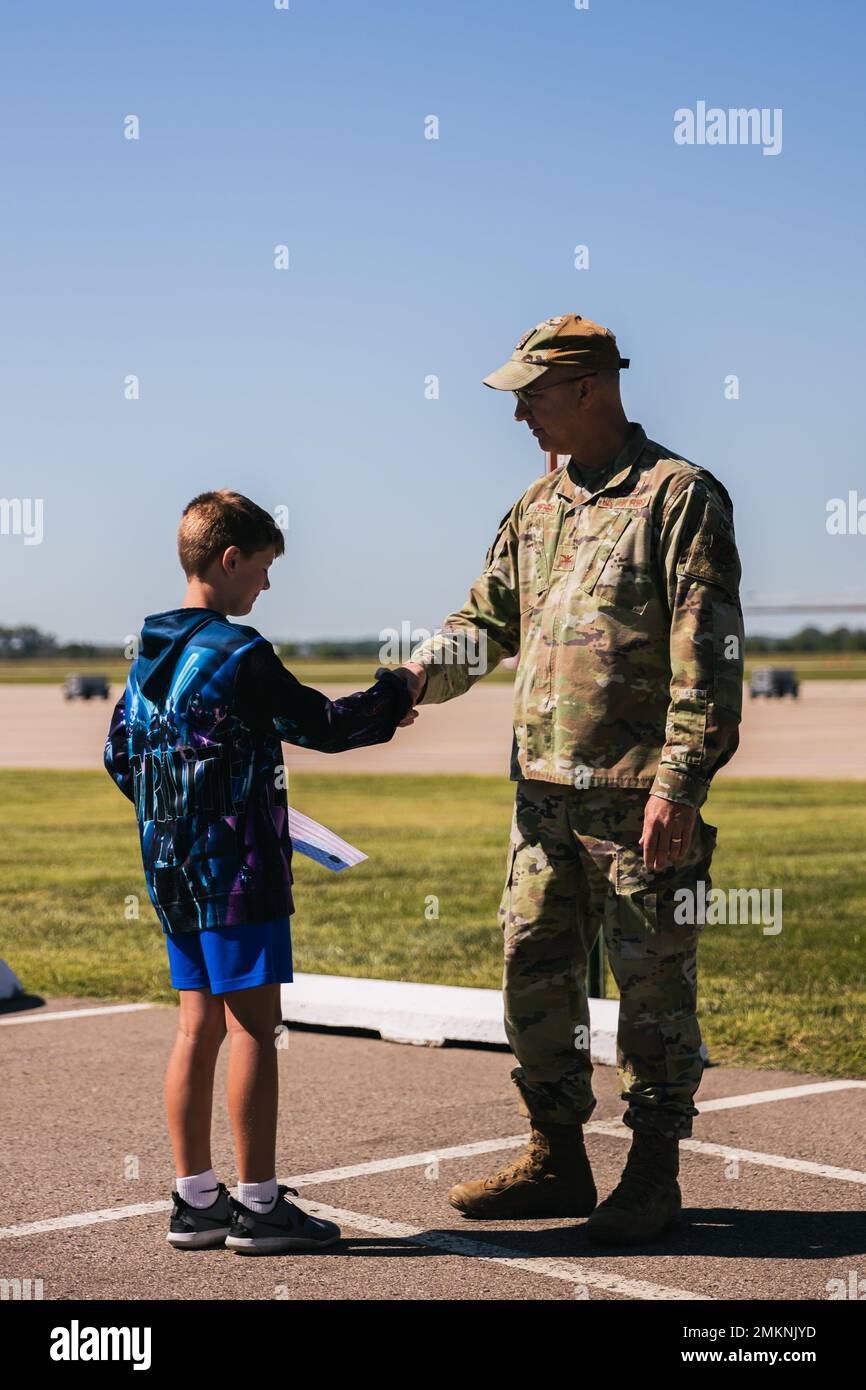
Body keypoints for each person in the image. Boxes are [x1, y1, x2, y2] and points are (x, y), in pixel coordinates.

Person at [394, 314, 744, 1244]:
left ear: (587, 388)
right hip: (541, 799)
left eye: (531, 397)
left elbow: (706, 657)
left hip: (637, 805)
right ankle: (557, 1158)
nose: (520, 418)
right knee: (532, 978)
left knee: (653, 993)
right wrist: (410, 681)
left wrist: (680, 782)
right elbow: (486, 622)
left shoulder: (679, 497)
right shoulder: (537, 509)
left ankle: (655, 1173)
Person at [103, 489, 414, 1254]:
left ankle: (195, 1198)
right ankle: (260, 1204)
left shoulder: (148, 654)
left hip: (172, 871)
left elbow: (120, 757)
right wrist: (395, 692)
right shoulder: (239, 653)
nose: (266, 587)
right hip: (238, 872)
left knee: (194, 1025)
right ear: (230, 559)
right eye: (264, 569)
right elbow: (322, 726)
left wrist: (185, 808)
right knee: (254, 1028)